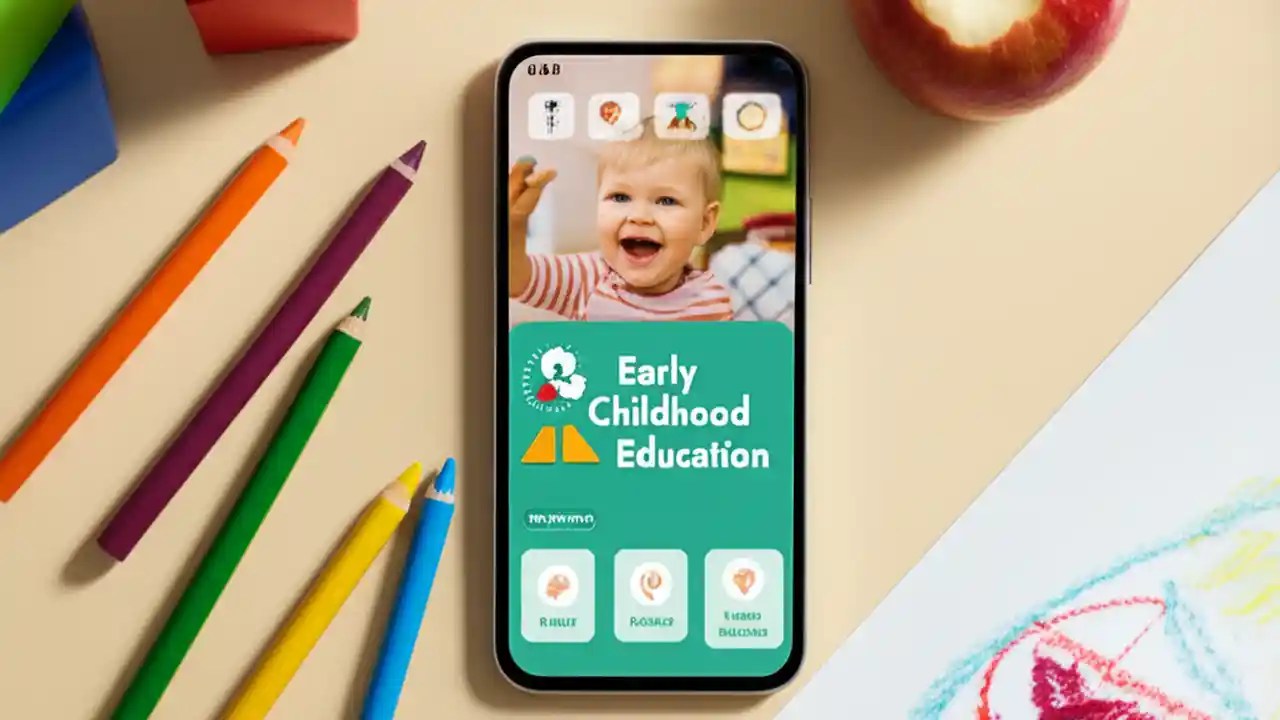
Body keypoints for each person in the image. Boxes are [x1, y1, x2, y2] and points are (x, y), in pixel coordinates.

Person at [507, 118, 732, 321]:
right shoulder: (587, 278)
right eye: (620, 197)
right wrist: (515, 222)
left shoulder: (711, 301)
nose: (639, 216)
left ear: (704, 223)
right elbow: (514, 279)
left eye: (666, 201)